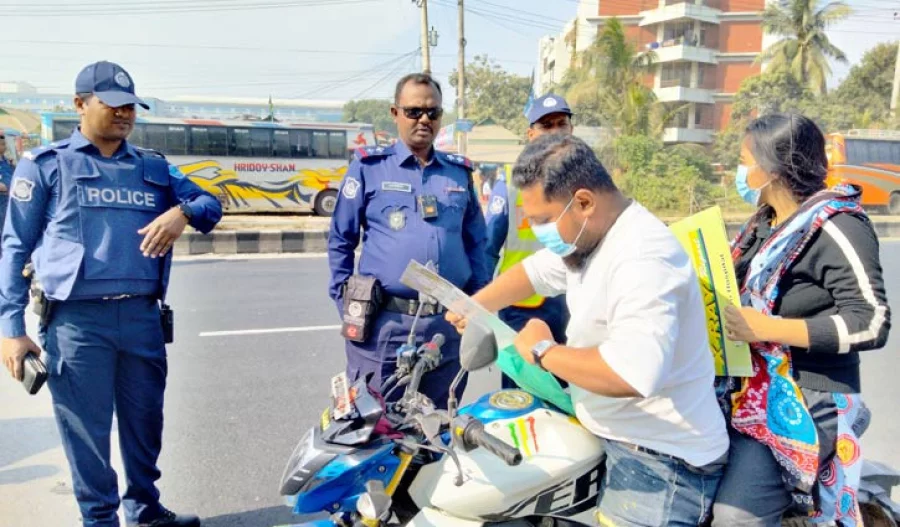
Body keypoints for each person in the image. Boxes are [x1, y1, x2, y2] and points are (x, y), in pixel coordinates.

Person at [447, 134, 729, 526]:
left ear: (583, 202)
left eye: (543, 221)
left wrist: (544, 351)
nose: (537, 230)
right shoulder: (592, 237)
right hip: (615, 437)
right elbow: (536, 272)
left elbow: (633, 373)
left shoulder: (644, 258)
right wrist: (477, 306)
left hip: (660, 463)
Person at [0, 61, 222, 527]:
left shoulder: (153, 167)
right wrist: (11, 328)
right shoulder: (46, 165)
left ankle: (145, 511)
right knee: (87, 435)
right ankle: (100, 520)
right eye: (113, 104)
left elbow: (210, 203)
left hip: (142, 319)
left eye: (130, 107)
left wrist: (181, 213)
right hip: (77, 323)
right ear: (80, 104)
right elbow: (14, 246)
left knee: (145, 425)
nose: (124, 114)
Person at [711, 114, 891, 527]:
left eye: (744, 161)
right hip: (748, 387)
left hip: (808, 395)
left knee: (735, 516)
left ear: (772, 168)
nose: (740, 172)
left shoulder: (837, 225)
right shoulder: (764, 224)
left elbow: (872, 321)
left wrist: (769, 328)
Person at [328, 73, 491, 408]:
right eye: (414, 111)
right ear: (395, 113)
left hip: (446, 325)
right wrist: (348, 303)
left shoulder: (457, 172)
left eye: (433, 112)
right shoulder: (369, 168)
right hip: (385, 326)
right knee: (376, 421)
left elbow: (478, 243)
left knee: (439, 421)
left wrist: (477, 303)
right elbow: (341, 239)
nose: (424, 120)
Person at [484, 93, 572, 389]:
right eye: (547, 125)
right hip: (521, 305)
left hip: (569, 305)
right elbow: (488, 250)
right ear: (531, 134)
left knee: (566, 392)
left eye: (561, 123)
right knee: (520, 394)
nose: (555, 131)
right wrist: (483, 307)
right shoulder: (510, 183)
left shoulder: (585, 182)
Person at [0, 131, 14, 234]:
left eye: (4, 144)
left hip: (9, 199)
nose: (4, 146)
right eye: (2, 144)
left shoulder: (7, 161)